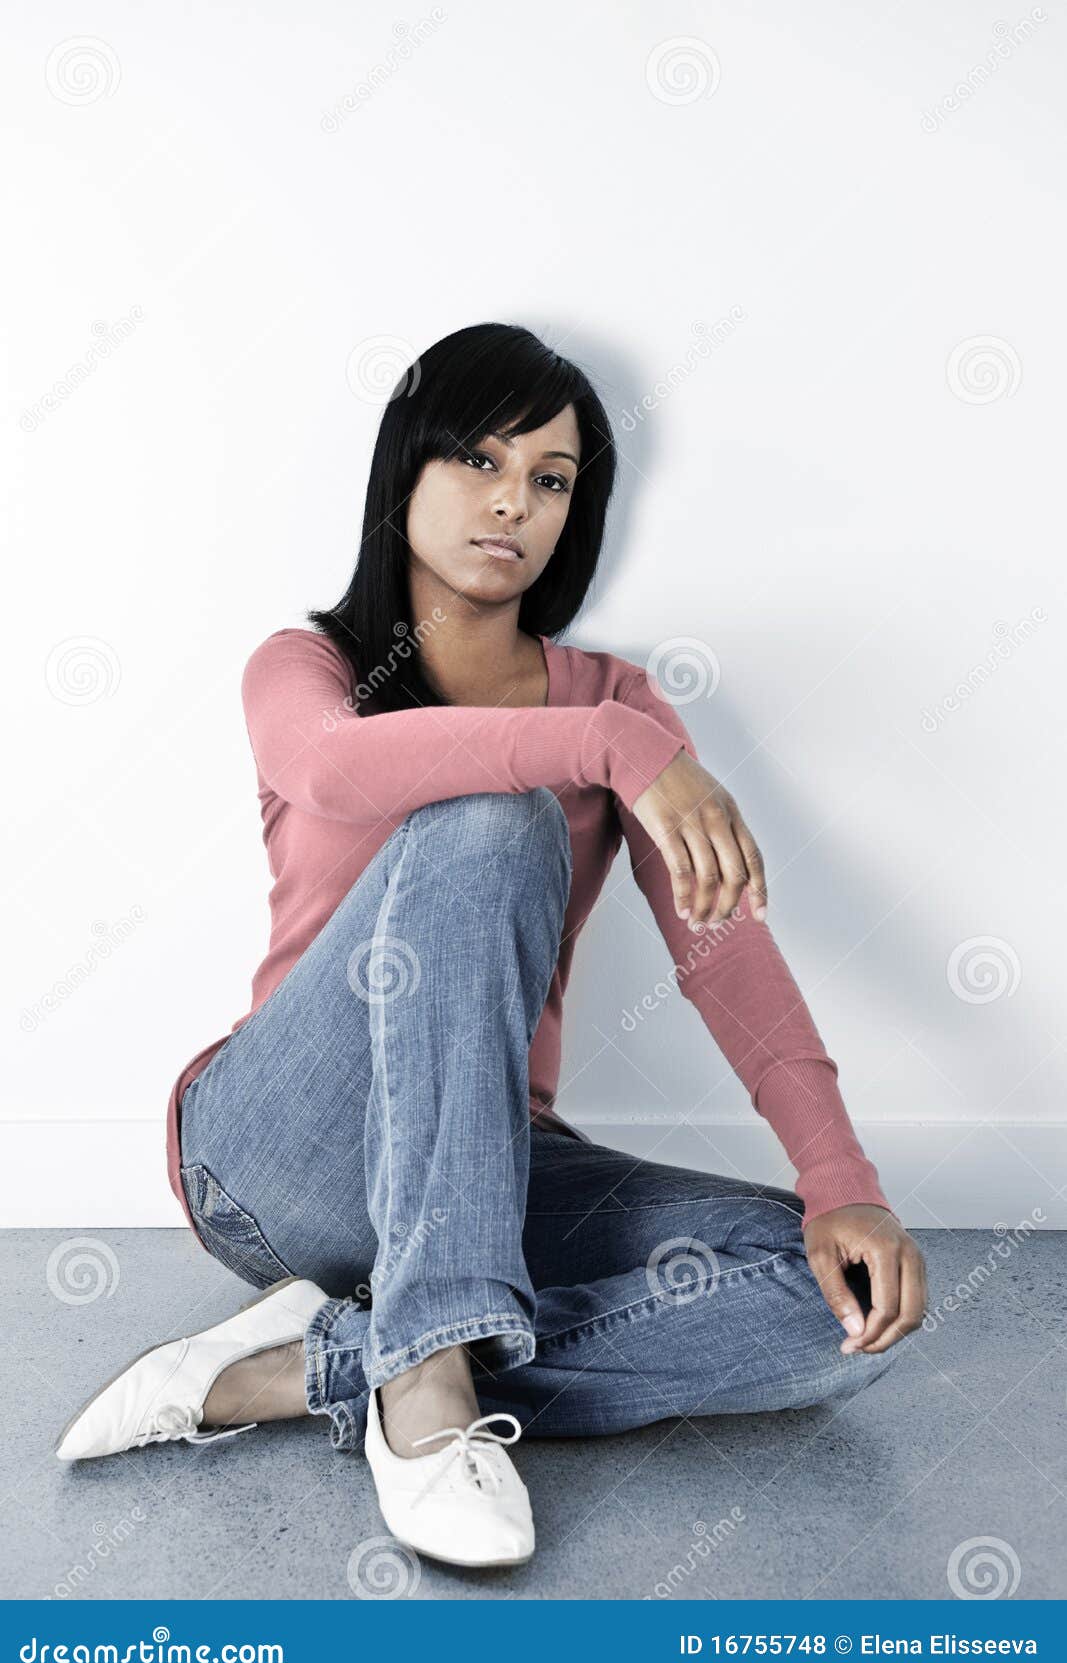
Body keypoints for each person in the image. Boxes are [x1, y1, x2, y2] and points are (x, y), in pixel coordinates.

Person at [54, 322, 927, 1572]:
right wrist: (614, 755)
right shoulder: (312, 669)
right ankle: (423, 1406)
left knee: (822, 1307)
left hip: (488, 1165)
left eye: (551, 478)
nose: (511, 501)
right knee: (489, 822)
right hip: (278, 1152)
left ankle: (305, 1367)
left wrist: (843, 1180)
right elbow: (331, 768)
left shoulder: (616, 701)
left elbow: (720, 947)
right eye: (477, 458)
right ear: (404, 470)